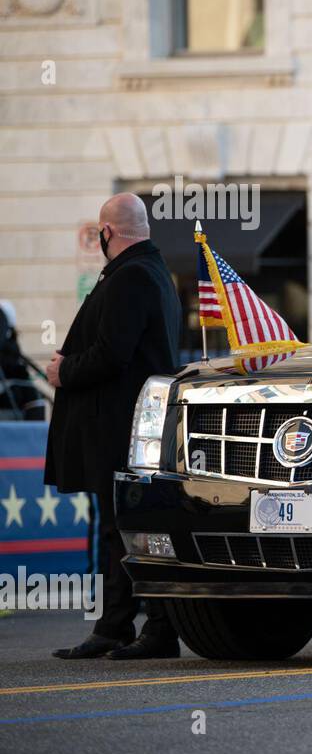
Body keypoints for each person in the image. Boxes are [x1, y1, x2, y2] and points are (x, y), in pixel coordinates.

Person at [47, 193, 182, 660]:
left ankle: (147, 629)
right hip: (133, 427)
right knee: (127, 528)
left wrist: (66, 370)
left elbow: (111, 354)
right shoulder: (150, 273)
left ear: (107, 233)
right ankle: (119, 625)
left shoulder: (132, 277)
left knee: (126, 529)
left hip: (123, 428)